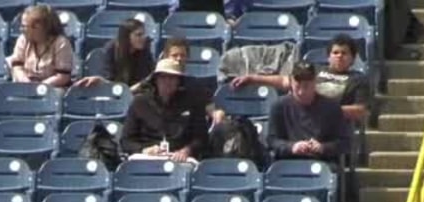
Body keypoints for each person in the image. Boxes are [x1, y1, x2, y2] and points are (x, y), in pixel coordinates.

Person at [228, 35, 369, 124]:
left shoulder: (358, 79)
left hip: (331, 124)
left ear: (352, 58)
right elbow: (285, 81)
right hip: (300, 118)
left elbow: (360, 110)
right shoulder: (315, 70)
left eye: (344, 53)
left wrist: (325, 110)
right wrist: (252, 78)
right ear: (328, 56)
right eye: (335, 52)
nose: (339, 56)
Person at [120, 57, 208, 162]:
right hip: (146, 158)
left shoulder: (192, 102)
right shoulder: (139, 103)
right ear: (156, 80)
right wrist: (144, 150)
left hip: (180, 159)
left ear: (179, 81)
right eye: (163, 77)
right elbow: (126, 140)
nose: (167, 82)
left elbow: (201, 138)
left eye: (172, 78)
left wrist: (187, 150)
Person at [266, 61, 350, 164]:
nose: (301, 92)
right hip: (288, 160)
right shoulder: (278, 106)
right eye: (297, 86)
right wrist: (292, 147)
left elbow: (344, 142)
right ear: (291, 82)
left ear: (315, 82)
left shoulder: (332, 107)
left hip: (322, 161)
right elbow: (272, 140)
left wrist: (323, 147)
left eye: (306, 86)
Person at [73, 17, 154, 88]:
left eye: (143, 34)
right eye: (138, 35)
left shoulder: (144, 51)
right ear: (127, 36)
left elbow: (145, 79)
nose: (143, 38)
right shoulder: (111, 50)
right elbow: (108, 79)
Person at [8, 4, 75, 88]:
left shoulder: (61, 43)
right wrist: (26, 83)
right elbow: (17, 67)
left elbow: (63, 77)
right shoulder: (22, 40)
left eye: (25, 26)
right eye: (22, 26)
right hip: (25, 85)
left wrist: (40, 87)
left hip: (53, 88)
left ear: (40, 27)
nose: (22, 30)